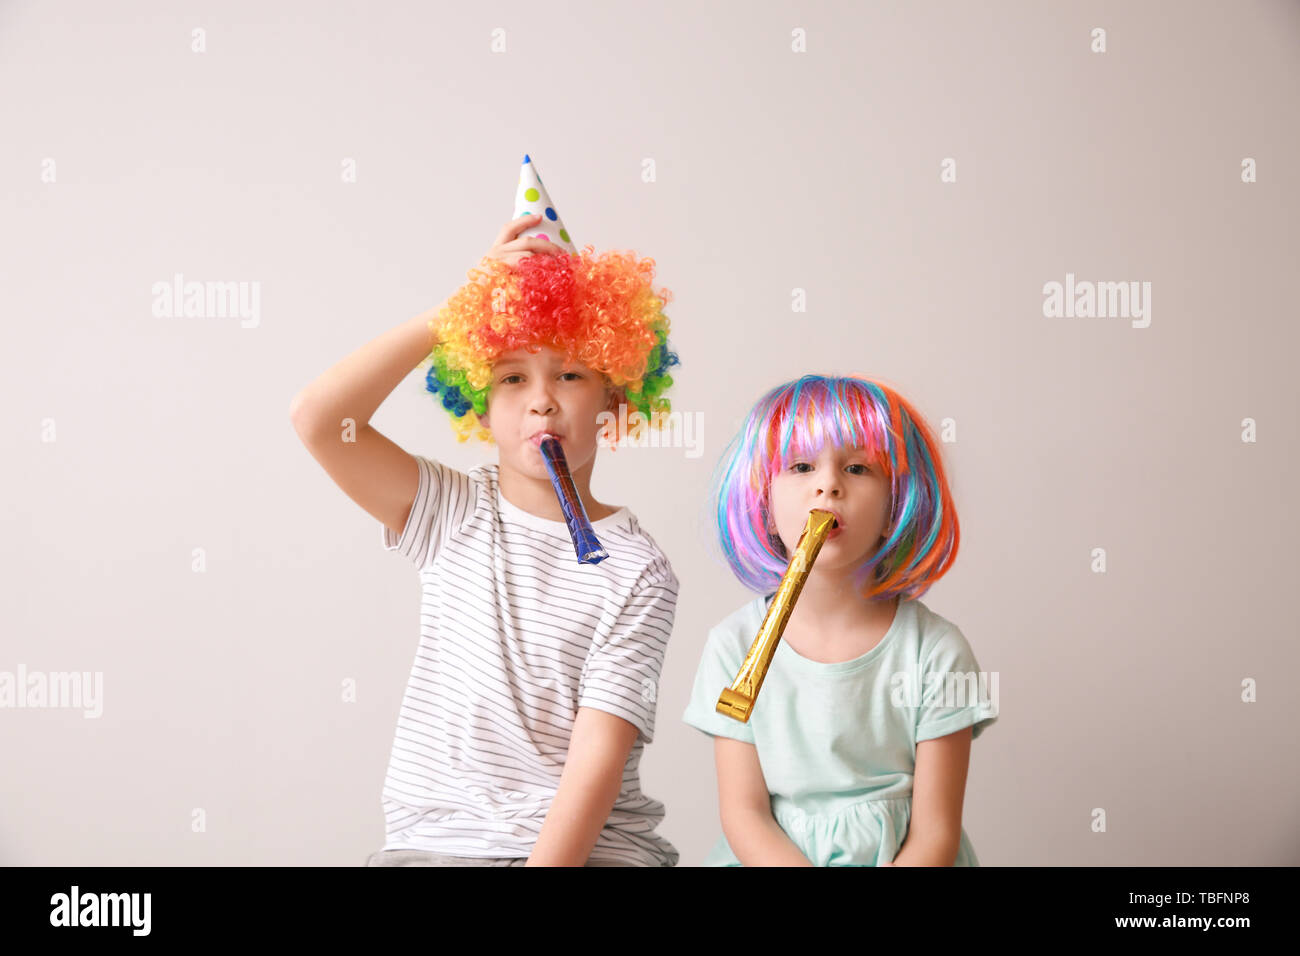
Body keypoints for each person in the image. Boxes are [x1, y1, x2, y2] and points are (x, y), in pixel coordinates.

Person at [290, 208, 683, 866]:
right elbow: (319, 418)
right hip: (434, 845)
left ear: (614, 397)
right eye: (512, 377)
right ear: (477, 399)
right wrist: (451, 314)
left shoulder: (639, 572)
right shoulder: (449, 510)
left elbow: (596, 763)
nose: (541, 400)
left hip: (588, 852)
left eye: (570, 374)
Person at [682, 374, 998, 866]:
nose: (828, 484)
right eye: (801, 466)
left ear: (897, 502)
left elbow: (935, 832)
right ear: (762, 498)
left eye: (856, 467)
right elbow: (744, 815)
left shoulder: (936, 653)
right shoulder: (733, 645)